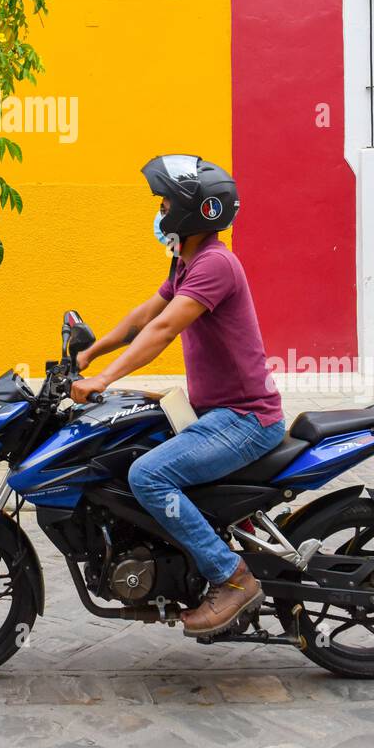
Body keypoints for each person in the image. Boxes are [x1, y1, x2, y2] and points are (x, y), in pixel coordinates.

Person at [70, 154, 285, 637]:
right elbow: (144, 315)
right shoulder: (187, 263)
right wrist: (90, 352)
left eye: (165, 203)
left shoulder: (216, 265)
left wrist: (104, 380)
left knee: (147, 475)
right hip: (214, 412)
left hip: (245, 420)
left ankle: (233, 580)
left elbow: (164, 330)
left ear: (189, 212)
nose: (159, 211)